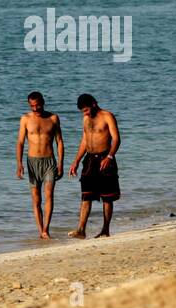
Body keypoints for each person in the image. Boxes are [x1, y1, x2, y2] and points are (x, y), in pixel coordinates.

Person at [68, 94, 120, 238]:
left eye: (86, 110)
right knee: (86, 195)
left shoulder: (107, 116)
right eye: (82, 111)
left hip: (105, 158)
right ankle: (81, 230)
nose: (85, 114)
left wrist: (109, 157)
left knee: (107, 197)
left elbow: (116, 139)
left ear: (93, 104)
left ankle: (105, 229)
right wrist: (76, 161)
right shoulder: (85, 119)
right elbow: (84, 140)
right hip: (89, 160)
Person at [15, 92, 64, 239]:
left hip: (49, 161)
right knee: (36, 199)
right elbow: (20, 142)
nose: (35, 108)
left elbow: (59, 141)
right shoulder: (25, 119)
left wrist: (61, 163)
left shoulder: (53, 118)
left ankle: (46, 230)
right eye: (32, 106)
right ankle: (40, 230)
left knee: (49, 195)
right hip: (32, 162)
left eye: (38, 105)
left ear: (43, 102)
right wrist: (19, 164)